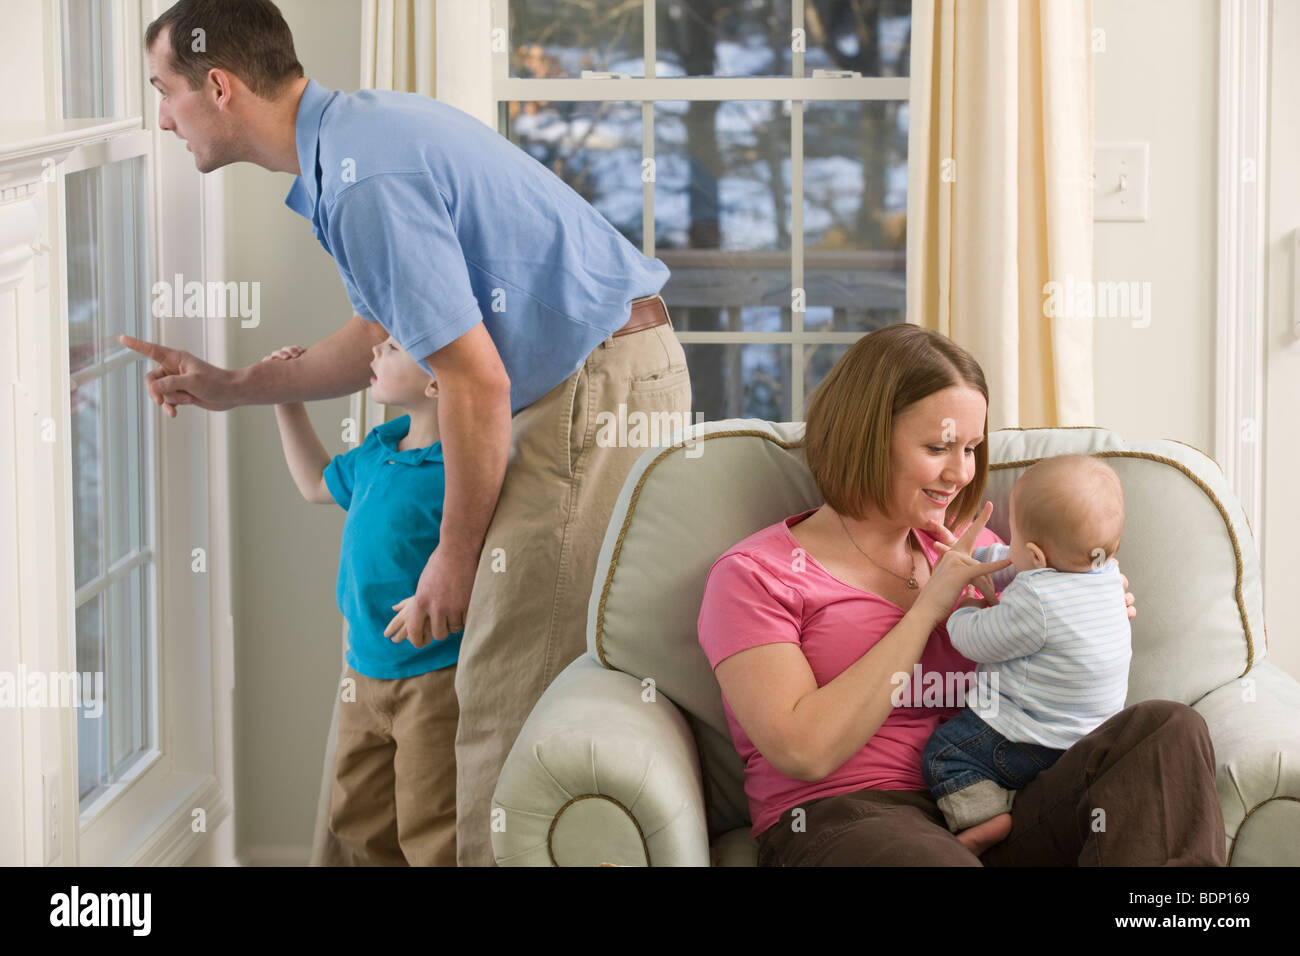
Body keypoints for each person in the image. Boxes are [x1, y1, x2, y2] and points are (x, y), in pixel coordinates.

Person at [122, 0, 691, 865]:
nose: (162, 117)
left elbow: (471, 377)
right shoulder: (349, 147)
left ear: (219, 85)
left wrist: (455, 555)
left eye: (164, 92)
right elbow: (384, 336)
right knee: (492, 680)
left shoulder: (360, 178)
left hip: (596, 384)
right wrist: (236, 387)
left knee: (502, 688)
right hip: (582, 375)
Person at [696, 323, 1226, 866]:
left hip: (999, 799)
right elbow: (803, 751)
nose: (961, 473)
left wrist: (1091, 607)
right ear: (865, 436)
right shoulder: (754, 576)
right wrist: (927, 610)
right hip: (850, 815)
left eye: (972, 448)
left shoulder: (983, 549)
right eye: (938, 447)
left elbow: (1054, 633)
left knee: (1166, 729)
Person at [266, 337, 461, 866]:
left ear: (436, 381)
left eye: (395, 347)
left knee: (431, 825)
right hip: (361, 674)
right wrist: (287, 401)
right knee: (357, 821)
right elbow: (313, 483)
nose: (374, 348)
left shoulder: (462, 470)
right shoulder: (378, 449)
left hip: (433, 680)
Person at [920, 454, 1133, 856]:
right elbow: (1021, 564)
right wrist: (976, 560)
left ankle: (986, 818)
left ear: (1035, 556)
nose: (1006, 546)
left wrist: (961, 605)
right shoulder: (1105, 573)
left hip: (1028, 738)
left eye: (1013, 537)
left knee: (944, 754)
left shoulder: (1035, 600)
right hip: (1086, 742)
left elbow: (975, 640)